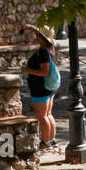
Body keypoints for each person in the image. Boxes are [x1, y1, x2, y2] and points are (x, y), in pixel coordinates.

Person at [20, 24, 59, 152]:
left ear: (42, 38)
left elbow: (45, 72)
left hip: (40, 88)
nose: (36, 37)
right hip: (49, 87)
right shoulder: (50, 48)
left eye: (37, 35)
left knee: (42, 117)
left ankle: (46, 142)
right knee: (48, 114)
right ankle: (52, 141)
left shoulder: (42, 52)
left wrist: (27, 70)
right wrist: (30, 27)